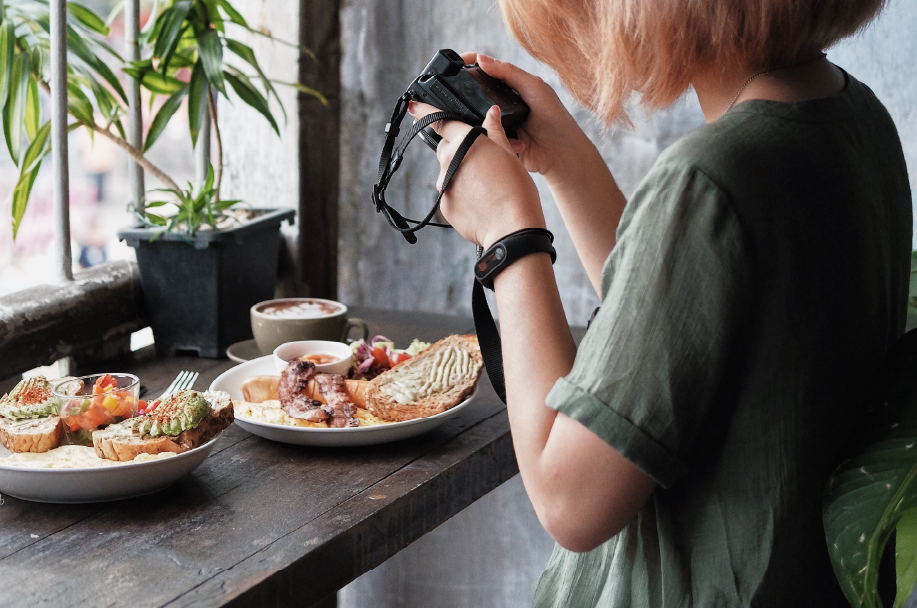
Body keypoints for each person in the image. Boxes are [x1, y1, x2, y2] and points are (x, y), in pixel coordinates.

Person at [408, 0, 910, 606]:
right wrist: (566, 160)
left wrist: (508, 237)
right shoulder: (853, 117)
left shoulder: (711, 177)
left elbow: (568, 501)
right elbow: (677, 316)